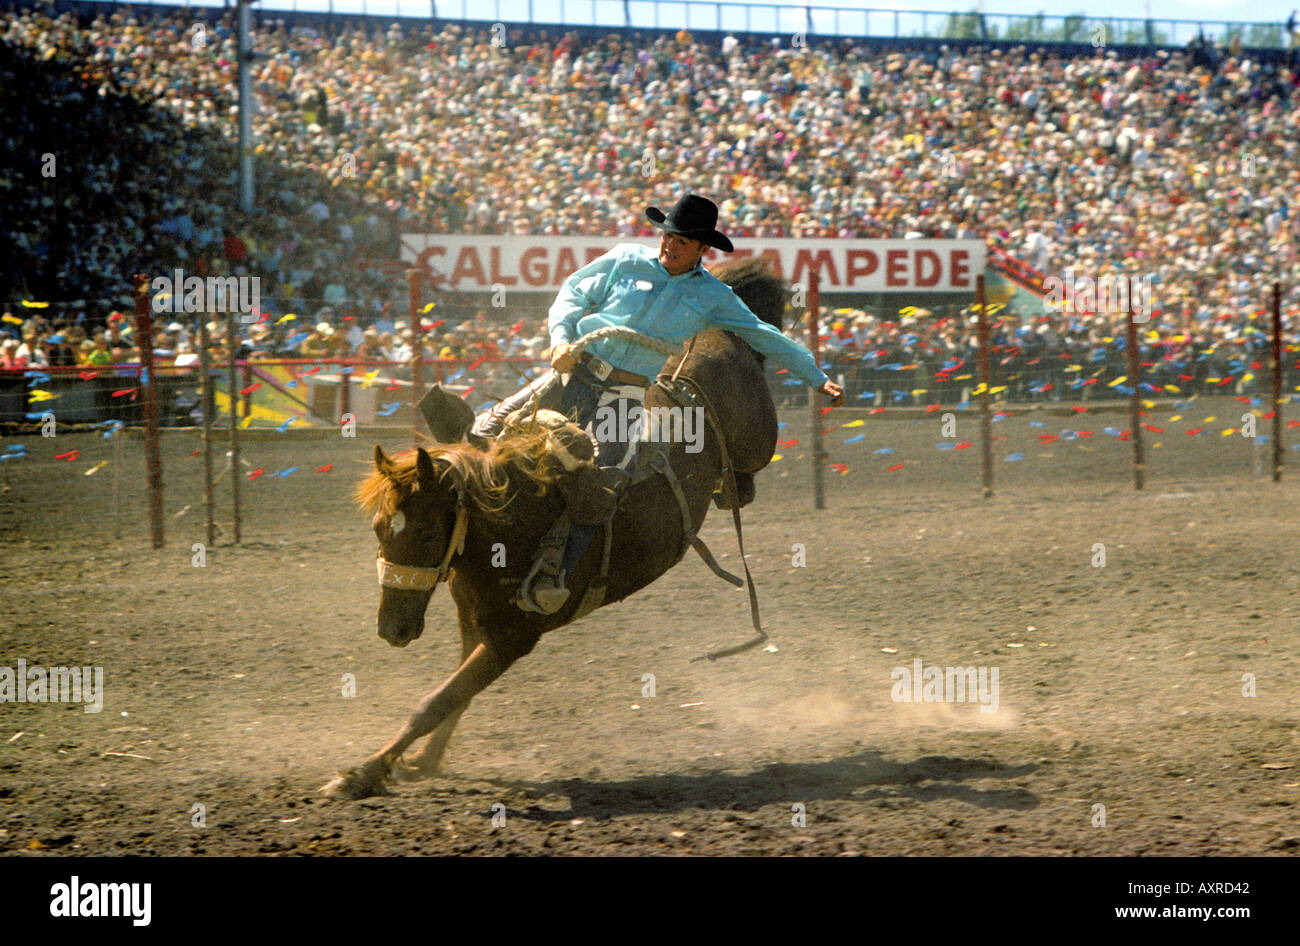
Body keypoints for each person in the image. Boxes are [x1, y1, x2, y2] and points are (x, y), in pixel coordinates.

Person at [479, 193, 844, 614]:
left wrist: (818, 379)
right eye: (668, 236)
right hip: (575, 373)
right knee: (488, 427)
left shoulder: (713, 297)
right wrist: (560, 337)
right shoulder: (625, 258)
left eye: (682, 242)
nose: (670, 246)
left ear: (703, 250)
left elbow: (765, 335)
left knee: (604, 480)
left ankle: (551, 571)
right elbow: (574, 291)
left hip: (625, 397)